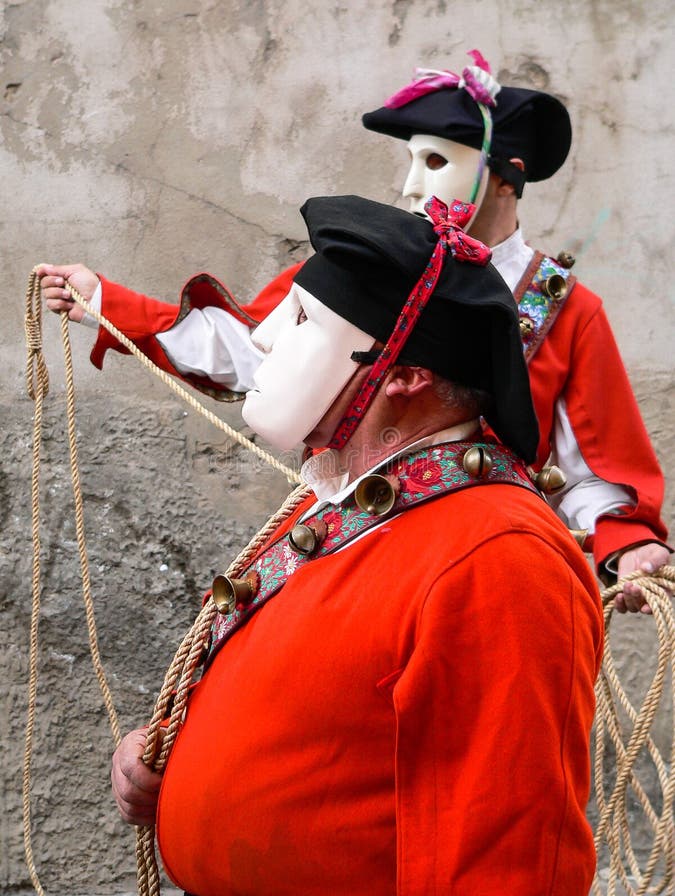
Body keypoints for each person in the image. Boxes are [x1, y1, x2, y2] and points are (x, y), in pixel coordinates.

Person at [38, 51, 670, 610]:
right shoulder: (369, 269)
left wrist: (628, 544)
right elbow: (254, 349)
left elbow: (593, 461)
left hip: (480, 564)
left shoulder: (566, 310)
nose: (411, 184)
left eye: (435, 160)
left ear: (508, 174)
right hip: (353, 541)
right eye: (410, 161)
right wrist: (109, 304)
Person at [111, 194, 604, 896]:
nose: (265, 338)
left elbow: (505, 863)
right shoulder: (338, 501)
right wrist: (165, 754)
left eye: (304, 319)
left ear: (404, 375)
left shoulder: (499, 556)